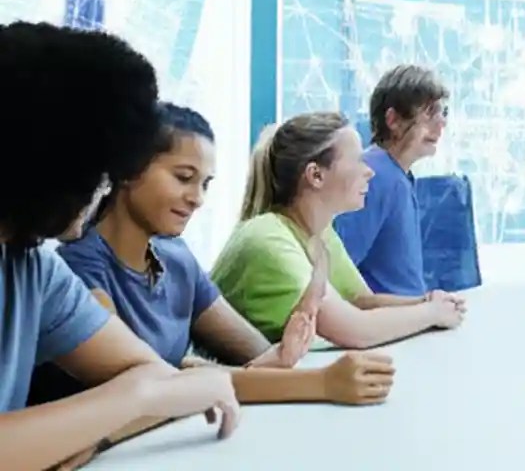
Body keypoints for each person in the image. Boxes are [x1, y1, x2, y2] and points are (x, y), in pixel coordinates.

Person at [30, 103, 396, 409]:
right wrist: (321, 384)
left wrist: (280, 357)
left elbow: (250, 355)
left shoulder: (176, 259)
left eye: (204, 184)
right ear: (128, 170)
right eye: (183, 177)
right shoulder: (78, 267)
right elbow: (153, 388)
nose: (197, 198)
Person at [0, 22, 238, 471]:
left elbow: (148, 371)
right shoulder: (60, 264)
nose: (101, 192)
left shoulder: (34, 268)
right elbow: (148, 388)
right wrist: (135, 398)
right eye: (99, 175)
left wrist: (72, 432)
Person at [210, 112, 465, 350]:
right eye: (357, 161)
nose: (369, 171)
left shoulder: (320, 233)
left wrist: (427, 301)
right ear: (316, 175)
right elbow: (356, 329)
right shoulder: (267, 238)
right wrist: (432, 313)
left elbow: (361, 302)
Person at [335, 65, 448, 296]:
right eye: (429, 113)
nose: (441, 123)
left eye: (442, 113)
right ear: (393, 120)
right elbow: (339, 272)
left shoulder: (396, 175)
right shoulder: (373, 176)